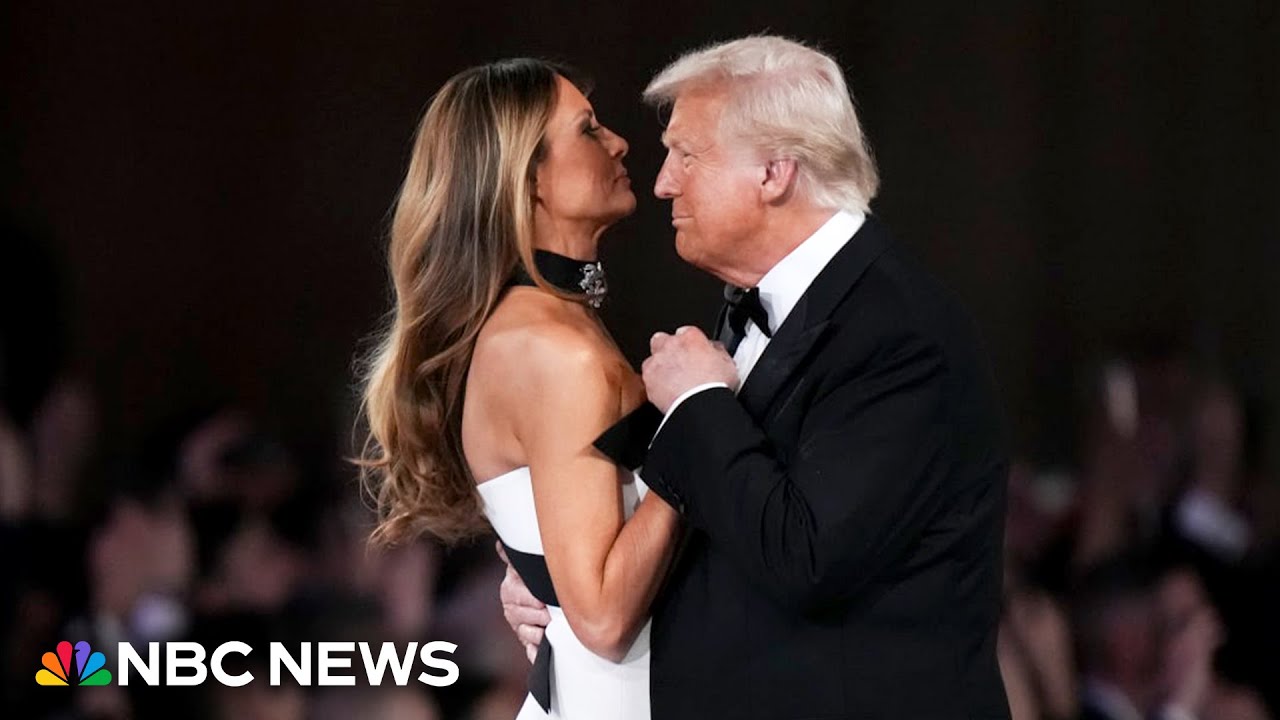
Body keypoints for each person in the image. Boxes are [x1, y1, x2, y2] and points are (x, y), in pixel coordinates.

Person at [501, 36, 1012, 718]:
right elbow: (712, 509)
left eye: (686, 154)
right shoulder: (758, 306)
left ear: (774, 172)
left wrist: (701, 402)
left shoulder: (900, 333)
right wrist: (551, 575)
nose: (662, 182)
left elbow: (805, 559)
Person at [357, 59, 681, 719]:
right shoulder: (552, 351)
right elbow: (601, 616)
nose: (619, 142)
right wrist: (696, 433)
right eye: (588, 130)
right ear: (526, 178)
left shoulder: (545, 330)